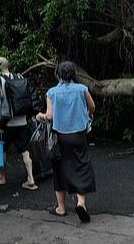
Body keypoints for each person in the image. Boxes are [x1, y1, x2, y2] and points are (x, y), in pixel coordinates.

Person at [36, 61, 96, 222]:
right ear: (74, 74)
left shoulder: (52, 92)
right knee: (82, 165)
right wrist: (87, 115)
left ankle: (61, 208)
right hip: (78, 135)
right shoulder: (82, 89)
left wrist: (39, 116)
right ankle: (81, 203)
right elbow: (92, 106)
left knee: (59, 169)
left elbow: (49, 116)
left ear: (60, 75)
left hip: (60, 137)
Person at [0, 56, 37, 190]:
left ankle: (1, 176)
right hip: (22, 120)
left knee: (1, 149)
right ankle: (31, 179)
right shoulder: (19, 77)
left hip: (7, 121)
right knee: (24, 149)